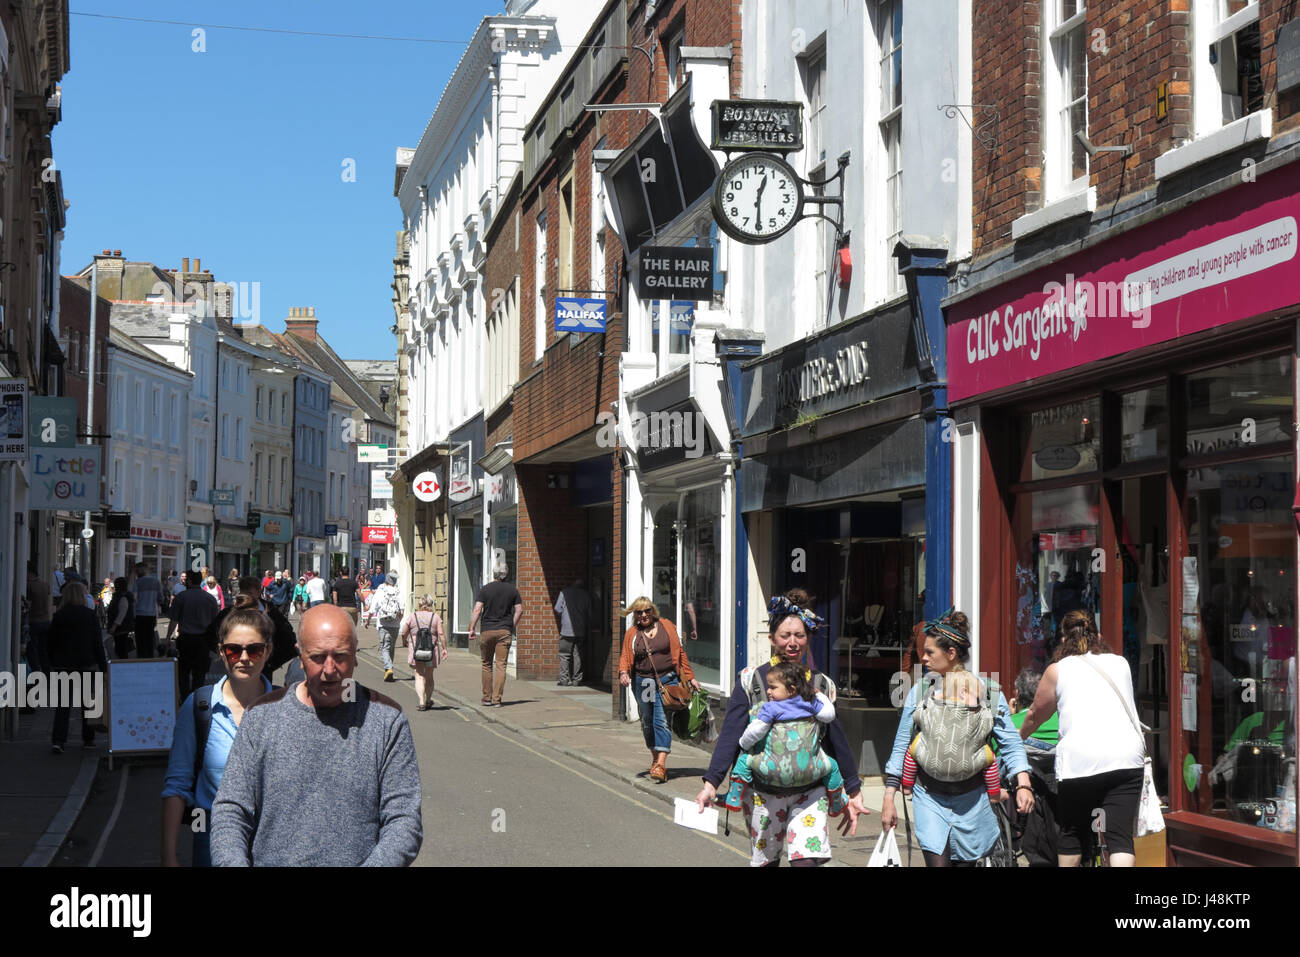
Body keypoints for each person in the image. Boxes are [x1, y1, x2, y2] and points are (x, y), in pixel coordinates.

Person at [209, 604, 423, 866]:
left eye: (341, 656)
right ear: (300, 657)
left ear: (356, 656)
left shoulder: (387, 719)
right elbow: (231, 809)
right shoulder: (262, 716)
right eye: (318, 657)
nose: (330, 669)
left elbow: (404, 821)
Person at [695, 592, 869, 865]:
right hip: (762, 794)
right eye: (785, 635)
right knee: (767, 862)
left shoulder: (822, 685)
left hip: (810, 792)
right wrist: (711, 783)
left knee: (805, 861)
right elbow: (731, 737)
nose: (792, 643)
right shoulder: (752, 681)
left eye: (799, 635)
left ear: (808, 638)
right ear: (772, 638)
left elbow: (836, 740)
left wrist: (853, 790)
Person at [881, 609, 1034, 867]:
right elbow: (901, 745)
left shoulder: (988, 693)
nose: (924, 657)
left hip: (972, 801)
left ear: (951, 654)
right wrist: (889, 798)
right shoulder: (920, 693)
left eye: (930, 652)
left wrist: (1023, 782)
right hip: (929, 796)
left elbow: (1010, 742)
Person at [1019, 609, 1145, 867]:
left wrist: (1017, 737)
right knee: (1119, 837)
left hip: (1079, 763)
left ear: (1064, 640)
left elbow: (1035, 714)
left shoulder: (1057, 670)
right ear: (1098, 635)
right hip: (1125, 759)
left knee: (1073, 832)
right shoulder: (1121, 663)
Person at [160, 599, 276, 866]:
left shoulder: (285, 707)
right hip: (211, 836)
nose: (244, 658)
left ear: (267, 652)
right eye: (234, 650)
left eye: (254, 650)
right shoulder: (199, 707)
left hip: (271, 840)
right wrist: (168, 856)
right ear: (221, 653)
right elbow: (177, 785)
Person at [722, 660, 849, 814]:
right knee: (832, 766)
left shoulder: (770, 707)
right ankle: (837, 803)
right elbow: (829, 715)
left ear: (791, 689)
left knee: (744, 761)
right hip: (811, 769)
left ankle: (733, 797)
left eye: (773, 687)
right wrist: (820, 695)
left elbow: (756, 731)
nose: (768, 691)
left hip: (771, 768)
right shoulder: (810, 703)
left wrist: (743, 743)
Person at [617, 597, 700, 782]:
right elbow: (625, 655)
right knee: (647, 720)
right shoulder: (632, 633)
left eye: (647, 610)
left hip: (667, 679)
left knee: (661, 720)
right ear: (635, 615)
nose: (644, 615)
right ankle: (656, 760)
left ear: (653, 611)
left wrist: (690, 676)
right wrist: (624, 672)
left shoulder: (667, 626)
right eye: (640, 612)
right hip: (643, 682)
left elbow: (680, 653)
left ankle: (661, 764)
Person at [47, 582, 108, 753]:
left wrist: (52, 661)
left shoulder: (59, 616)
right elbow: (97, 643)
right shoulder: (90, 615)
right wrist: (103, 667)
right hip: (86, 664)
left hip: (63, 665)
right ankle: (88, 739)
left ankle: (58, 740)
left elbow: (50, 641)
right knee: (87, 705)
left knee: (63, 705)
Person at [210, 576, 298, 683]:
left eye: (250, 592)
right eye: (245, 591)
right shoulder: (229, 613)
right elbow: (211, 635)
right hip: (236, 668)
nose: (248, 596)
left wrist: (272, 662)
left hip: (263, 669)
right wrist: (229, 654)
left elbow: (289, 638)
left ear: (259, 591)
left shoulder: (270, 611)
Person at [468, 565, 522, 706]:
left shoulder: (485, 589)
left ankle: (487, 698)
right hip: (504, 630)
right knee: (501, 665)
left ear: (494, 574)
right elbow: (519, 610)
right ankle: (497, 699)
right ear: (506, 574)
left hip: (487, 630)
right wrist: (511, 626)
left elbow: (477, 609)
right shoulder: (513, 590)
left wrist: (472, 627)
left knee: (486, 664)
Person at [164, 571, 221, 700]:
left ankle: (184, 697)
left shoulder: (181, 597)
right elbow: (215, 622)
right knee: (199, 673)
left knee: (183, 671)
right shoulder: (209, 598)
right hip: (203, 640)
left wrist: (168, 638)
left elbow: (174, 620)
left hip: (186, 639)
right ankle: (197, 697)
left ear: (189, 581)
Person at [399, 593, 446, 711]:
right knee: (429, 676)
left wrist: (404, 641)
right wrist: (445, 648)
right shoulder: (435, 617)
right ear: (431, 604)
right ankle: (429, 699)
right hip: (431, 650)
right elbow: (441, 634)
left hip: (417, 650)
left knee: (419, 675)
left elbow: (404, 632)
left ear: (419, 604)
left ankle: (421, 702)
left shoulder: (413, 616)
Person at [367, 571, 405, 682]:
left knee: (384, 647)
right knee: (391, 648)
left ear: (386, 580)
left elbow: (373, 608)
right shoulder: (399, 592)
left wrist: (368, 620)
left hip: (383, 624)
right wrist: (398, 621)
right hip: (395, 625)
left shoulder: (380, 591)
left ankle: (388, 669)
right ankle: (389, 669)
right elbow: (402, 611)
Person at [554, 578, 591, 686]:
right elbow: (590, 612)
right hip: (581, 630)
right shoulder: (586, 594)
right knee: (578, 655)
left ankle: (564, 680)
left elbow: (557, 609)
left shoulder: (564, 593)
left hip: (566, 630)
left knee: (564, 655)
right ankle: (577, 680)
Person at [26, 561, 51, 675]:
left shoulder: (29, 586)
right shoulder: (45, 584)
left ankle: (36, 674)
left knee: (32, 650)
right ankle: (46, 673)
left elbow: (29, 606)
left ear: (29, 572)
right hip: (45, 621)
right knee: (44, 650)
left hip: (34, 621)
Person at [132, 563, 163, 658]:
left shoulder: (137, 582)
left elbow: (133, 598)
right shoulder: (156, 582)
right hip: (151, 614)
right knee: (150, 638)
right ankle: (149, 657)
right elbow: (160, 598)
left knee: (140, 639)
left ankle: (141, 658)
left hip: (139, 614)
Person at [106, 577, 136, 659]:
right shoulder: (120, 596)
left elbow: (122, 614)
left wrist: (114, 626)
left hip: (121, 628)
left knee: (121, 650)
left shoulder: (122, 597)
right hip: (122, 627)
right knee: (120, 649)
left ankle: (122, 667)